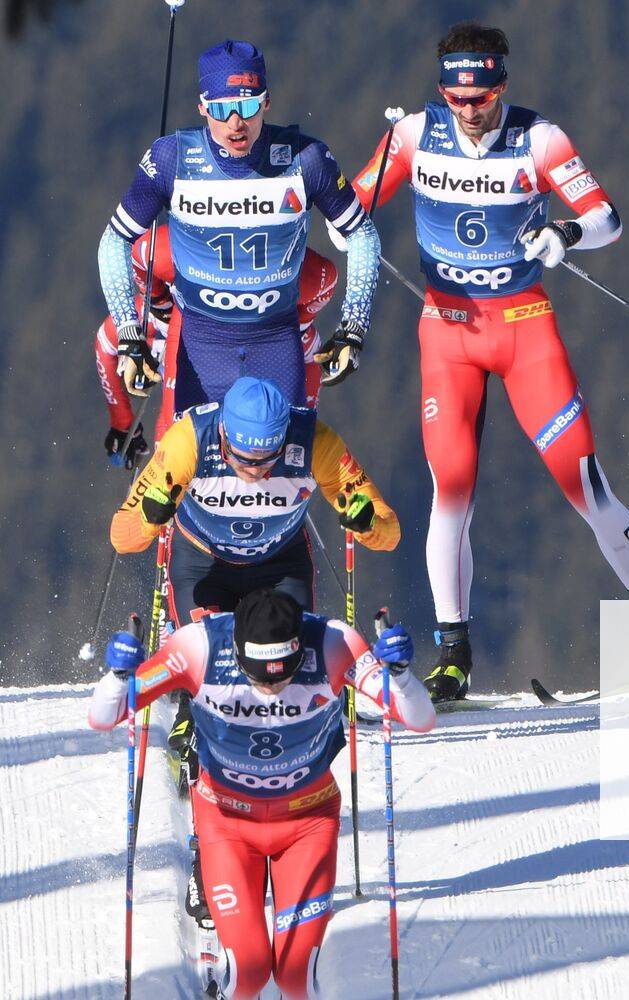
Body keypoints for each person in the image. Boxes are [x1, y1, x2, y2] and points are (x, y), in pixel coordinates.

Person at [348, 21, 629, 702]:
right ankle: (453, 658)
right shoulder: (411, 137)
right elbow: (349, 206)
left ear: (502, 87)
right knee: (451, 488)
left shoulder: (540, 138)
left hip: (522, 328)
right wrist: (333, 214)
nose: (471, 111)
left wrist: (565, 232)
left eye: (484, 97)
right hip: (448, 332)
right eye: (459, 99)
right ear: (442, 92)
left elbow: (607, 216)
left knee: (585, 482)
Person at [89, 587, 435, 1000]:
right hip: (227, 824)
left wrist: (400, 674)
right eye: (258, 678)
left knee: (295, 977)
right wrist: (118, 677)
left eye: (285, 676)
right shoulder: (199, 646)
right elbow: (105, 715)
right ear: (236, 653)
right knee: (249, 971)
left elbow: (419, 717)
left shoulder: (332, 643)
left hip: (308, 823)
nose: (271, 689)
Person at [110, 375, 398, 794]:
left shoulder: (314, 440)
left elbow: (390, 532)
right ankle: (193, 728)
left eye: (266, 462)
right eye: (240, 459)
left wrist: (368, 523)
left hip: (279, 563)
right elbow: (122, 536)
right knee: (211, 661)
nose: (253, 473)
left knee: (287, 668)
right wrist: (149, 519)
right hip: (203, 564)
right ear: (223, 433)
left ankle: (291, 765)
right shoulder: (189, 440)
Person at [98, 39, 379, 414]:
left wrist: (353, 328)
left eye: (247, 106)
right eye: (221, 109)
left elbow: (362, 235)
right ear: (201, 107)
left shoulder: (306, 158)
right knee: (193, 469)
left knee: (280, 468)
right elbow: (114, 240)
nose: (236, 123)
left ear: (266, 102)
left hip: (275, 344)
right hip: (201, 347)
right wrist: (131, 335)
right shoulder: (171, 158)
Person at [96, 225, 339, 453]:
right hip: (249, 328)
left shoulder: (165, 255)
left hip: (197, 321)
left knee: (181, 448)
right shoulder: (165, 256)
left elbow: (107, 340)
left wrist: (123, 424)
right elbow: (326, 284)